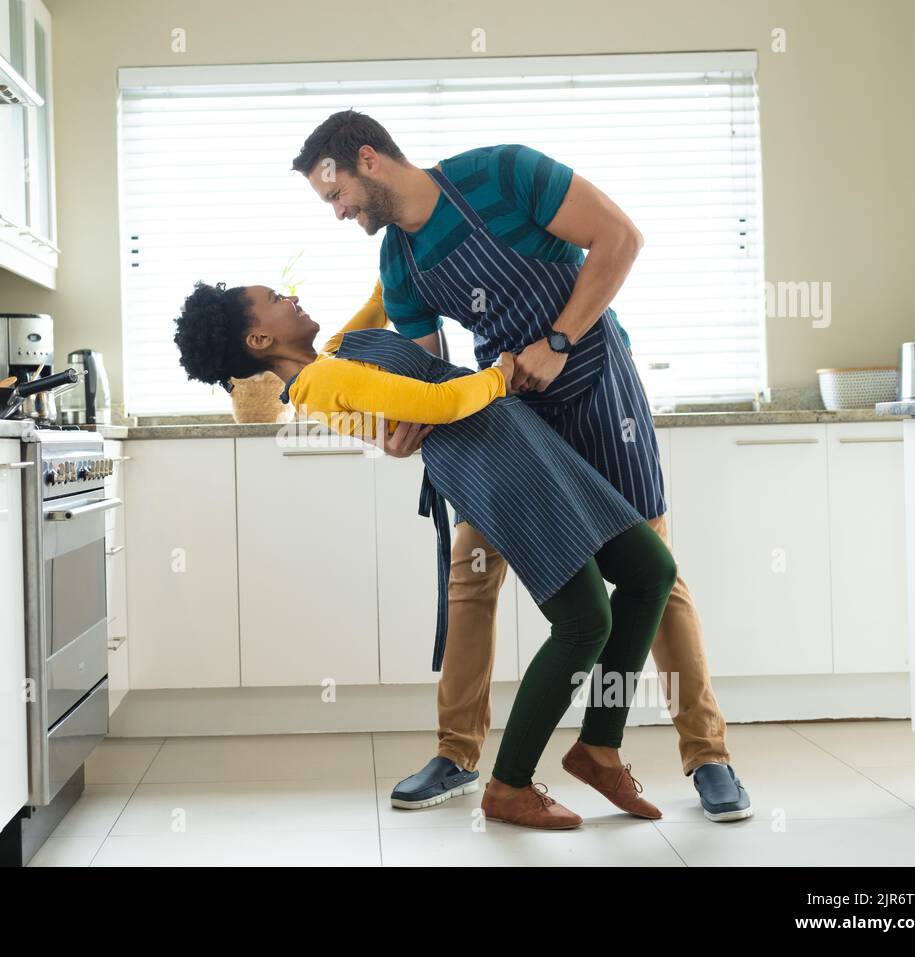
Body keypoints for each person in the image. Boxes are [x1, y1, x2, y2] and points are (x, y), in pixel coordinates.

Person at [291, 110, 751, 822]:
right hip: (510, 411)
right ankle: (457, 753)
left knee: (654, 571)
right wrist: (405, 428)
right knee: (471, 572)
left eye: (335, 195)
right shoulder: (399, 264)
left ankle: (708, 755)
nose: (339, 212)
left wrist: (559, 340)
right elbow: (429, 376)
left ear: (368, 159)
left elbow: (619, 239)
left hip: (597, 379)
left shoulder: (502, 173)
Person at [172, 280, 676, 828]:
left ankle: (598, 748)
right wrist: (503, 373)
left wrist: (407, 233)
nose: (292, 297)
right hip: (497, 469)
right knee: (583, 624)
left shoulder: (336, 350)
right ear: (260, 337)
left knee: (653, 572)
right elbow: (441, 403)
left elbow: (378, 300)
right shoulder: (322, 380)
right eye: (276, 298)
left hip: (525, 445)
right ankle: (509, 786)